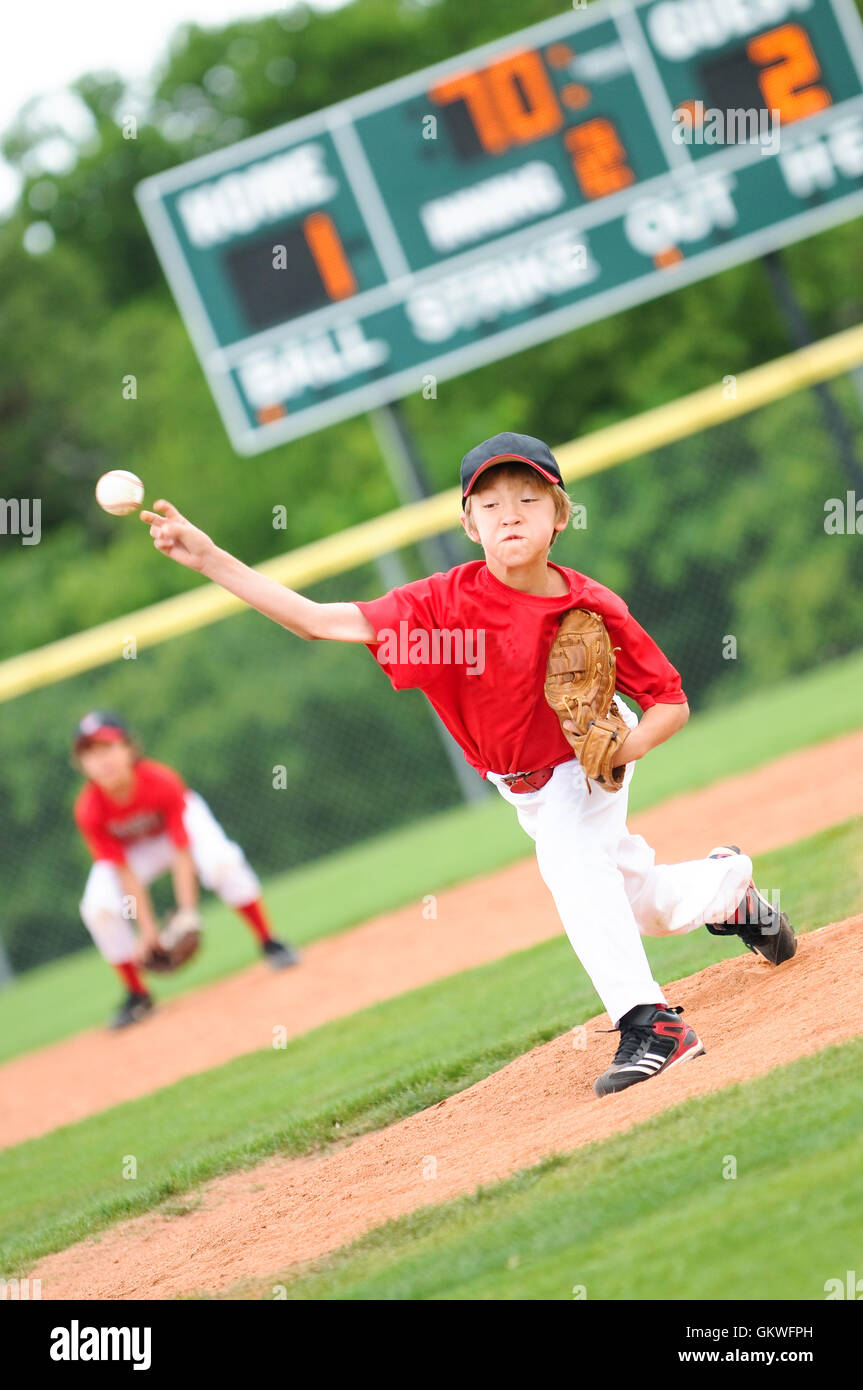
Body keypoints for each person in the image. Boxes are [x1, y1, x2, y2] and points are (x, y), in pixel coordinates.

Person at [140, 432, 795, 1094]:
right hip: (523, 787)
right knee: (633, 900)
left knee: (572, 871)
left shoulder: (588, 605)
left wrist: (619, 750)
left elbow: (669, 703)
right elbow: (317, 621)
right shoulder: (439, 607)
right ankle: (727, 891)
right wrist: (212, 560)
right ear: (468, 524)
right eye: (489, 503)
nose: (509, 514)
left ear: (559, 514)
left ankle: (651, 1026)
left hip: (581, 765)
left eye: (528, 498)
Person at [73, 711, 299, 1029]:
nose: (102, 760)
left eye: (107, 747)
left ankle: (269, 941)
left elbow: (182, 850)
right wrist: (148, 931)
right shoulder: (89, 810)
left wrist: (187, 911)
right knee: (98, 907)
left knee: (221, 862)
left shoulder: (160, 780)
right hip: (135, 851)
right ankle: (138, 993)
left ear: (129, 748)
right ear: (81, 763)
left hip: (178, 829)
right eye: (90, 753)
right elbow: (125, 873)